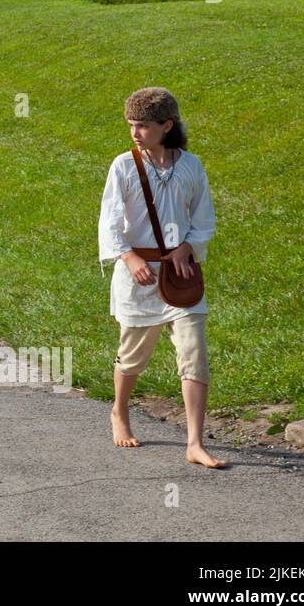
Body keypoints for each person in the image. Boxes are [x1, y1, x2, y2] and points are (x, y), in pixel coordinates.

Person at [99, 87, 223, 469]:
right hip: (138, 277)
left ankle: (195, 443)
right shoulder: (123, 165)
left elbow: (204, 220)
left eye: (144, 126)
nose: (135, 133)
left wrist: (189, 246)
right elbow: (110, 221)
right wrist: (129, 255)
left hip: (180, 275)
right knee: (134, 357)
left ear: (166, 126)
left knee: (194, 355)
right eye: (131, 125)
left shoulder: (191, 166)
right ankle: (120, 411)